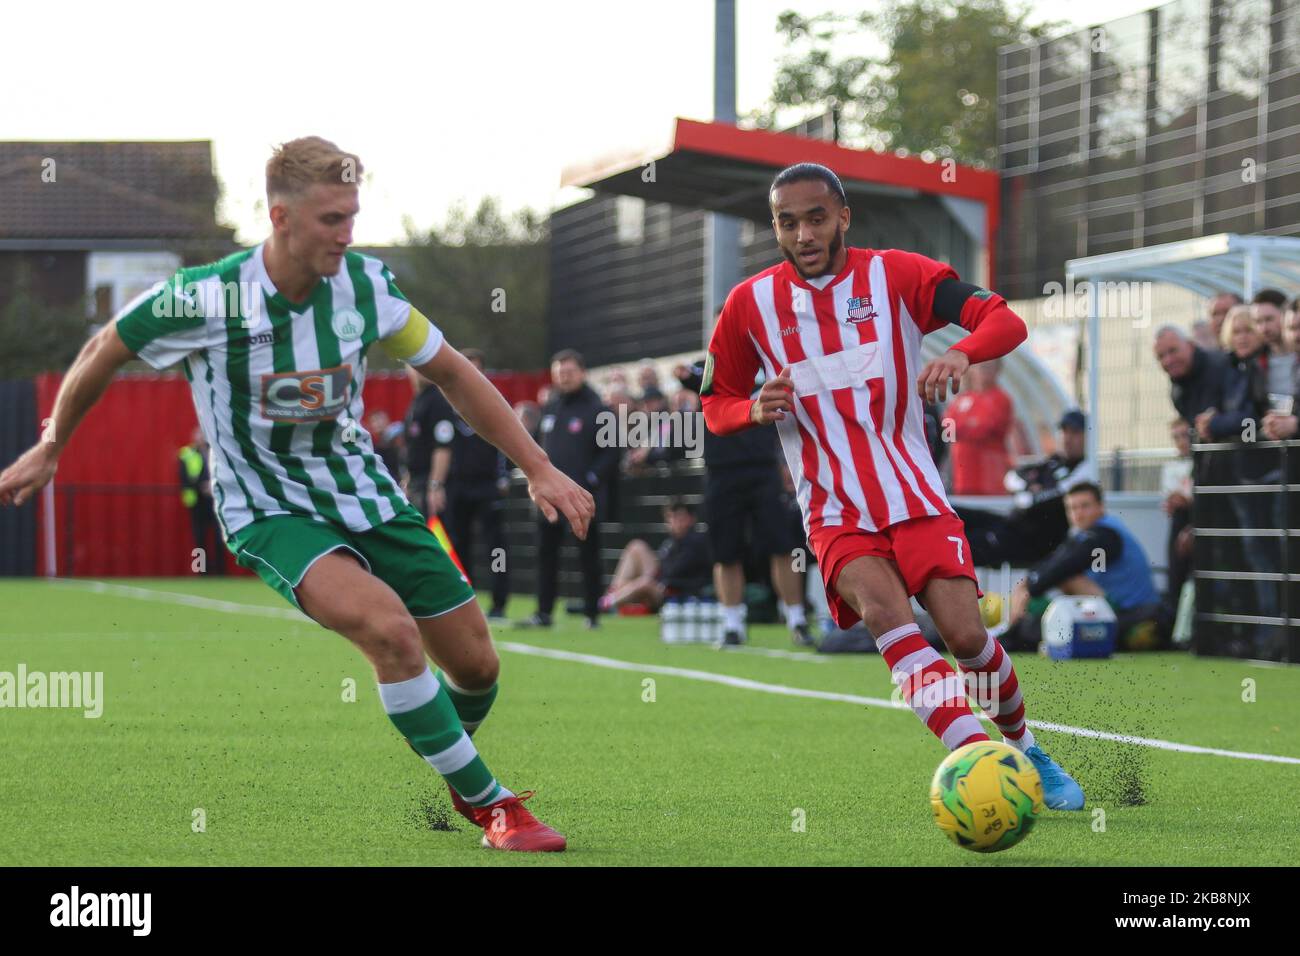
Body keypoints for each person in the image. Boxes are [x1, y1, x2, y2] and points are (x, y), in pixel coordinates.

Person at [0, 136, 593, 853]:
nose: (347, 235)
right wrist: (53, 442)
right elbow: (104, 351)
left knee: (476, 666)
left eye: (352, 217)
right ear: (280, 218)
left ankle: (447, 755)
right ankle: (492, 807)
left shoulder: (368, 288)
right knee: (392, 635)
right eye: (330, 220)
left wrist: (538, 466)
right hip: (266, 508)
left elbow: (454, 374)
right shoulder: (206, 296)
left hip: (363, 493)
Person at [699, 161, 1084, 809]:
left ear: (843, 216)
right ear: (776, 229)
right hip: (833, 510)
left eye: (816, 217)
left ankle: (1025, 749)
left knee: (965, 637)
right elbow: (716, 404)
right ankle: (977, 765)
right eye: (787, 223)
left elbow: (1004, 320)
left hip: (914, 496)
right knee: (888, 620)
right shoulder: (749, 305)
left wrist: (963, 351)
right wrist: (750, 408)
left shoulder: (898, 275)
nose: (803, 234)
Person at [677, 358, 814, 647]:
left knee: (782, 547)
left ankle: (796, 619)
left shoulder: (765, 359)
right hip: (721, 470)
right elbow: (687, 377)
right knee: (726, 552)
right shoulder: (710, 365)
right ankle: (732, 624)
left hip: (763, 468)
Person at [415, 348, 513, 622]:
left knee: (496, 546)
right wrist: (439, 484)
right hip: (457, 486)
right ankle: (465, 603)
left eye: (476, 368)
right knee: (458, 546)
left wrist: (503, 476)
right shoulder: (444, 404)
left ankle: (499, 603)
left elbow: (506, 440)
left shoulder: (494, 403)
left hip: (486, 486)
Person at [524, 349, 619, 629]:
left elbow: (612, 453)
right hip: (549, 497)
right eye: (559, 374)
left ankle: (592, 613)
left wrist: (589, 479)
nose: (564, 378)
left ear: (582, 373)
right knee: (546, 554)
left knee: (588, 554)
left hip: (581, 496)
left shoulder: (599, 410)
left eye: (569, 372)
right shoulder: (552, 407)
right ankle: (544, 612)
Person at [1007, 482, 1162, 651]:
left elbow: (1065, 566)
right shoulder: (1083, 535)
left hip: (1134, 613)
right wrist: (1026, 582)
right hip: (1117, 609)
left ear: (1101, 507)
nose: (1078, 514)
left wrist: (1030, 587)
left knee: (1069, 581)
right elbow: (1055, 562)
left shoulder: (1105, 535)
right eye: (1072, 508)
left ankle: (1016, 631)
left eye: (1085, 506)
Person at [956, 409, 1096, 568]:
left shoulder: (1086, 469)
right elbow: (1012, 476)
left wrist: (1031, 493)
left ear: (1088, 437)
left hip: (1035, 542)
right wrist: (1029, 486)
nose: (1067, 438)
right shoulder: (1054, 462)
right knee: (954, 513)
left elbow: (1044, 498)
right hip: (1012, 524)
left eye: (1075, 432)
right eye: (1064, 431)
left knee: (959, 546)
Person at [598, 497, 713, 612]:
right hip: (664, 584)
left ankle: (607, 604)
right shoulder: (671, 542)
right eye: (671, 517)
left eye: (680, 517)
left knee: (645, 583)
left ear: (691, 519)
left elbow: (676, 571)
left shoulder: (696, 541)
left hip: (675, 593)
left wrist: (658, 580)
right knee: (636, 546)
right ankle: (613, 593)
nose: (674, 521)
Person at [943, 358, 1016, 495]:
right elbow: (947, 431)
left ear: (997, 370)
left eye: (989, 367)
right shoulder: (962, 399)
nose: (985, 371)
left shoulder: (1001, 398)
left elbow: (986, 428)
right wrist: (971, 424)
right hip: (962, 477)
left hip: (990, 478)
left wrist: (961, 427)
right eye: (981, 367)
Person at [1159, 417, 1195, 626]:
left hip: (1197, 523)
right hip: (1179, 524)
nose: (1181, 441)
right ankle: (1175, 625)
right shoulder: (1171, 466)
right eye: (1176, 437)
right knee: (1176, 575)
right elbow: (1170, 500)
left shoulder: (1205, 462)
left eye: (1185, 435)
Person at [178, 428, 225, 574]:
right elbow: (184, 478)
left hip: (215, 501)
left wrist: (212, 487)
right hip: (197, 501)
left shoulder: (215, 452)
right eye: (199, 436)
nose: (201, 439)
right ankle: (201, 570)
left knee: (220, 537)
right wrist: (202, 487)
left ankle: (220, 571)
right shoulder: (187, 454)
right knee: (200, 537)